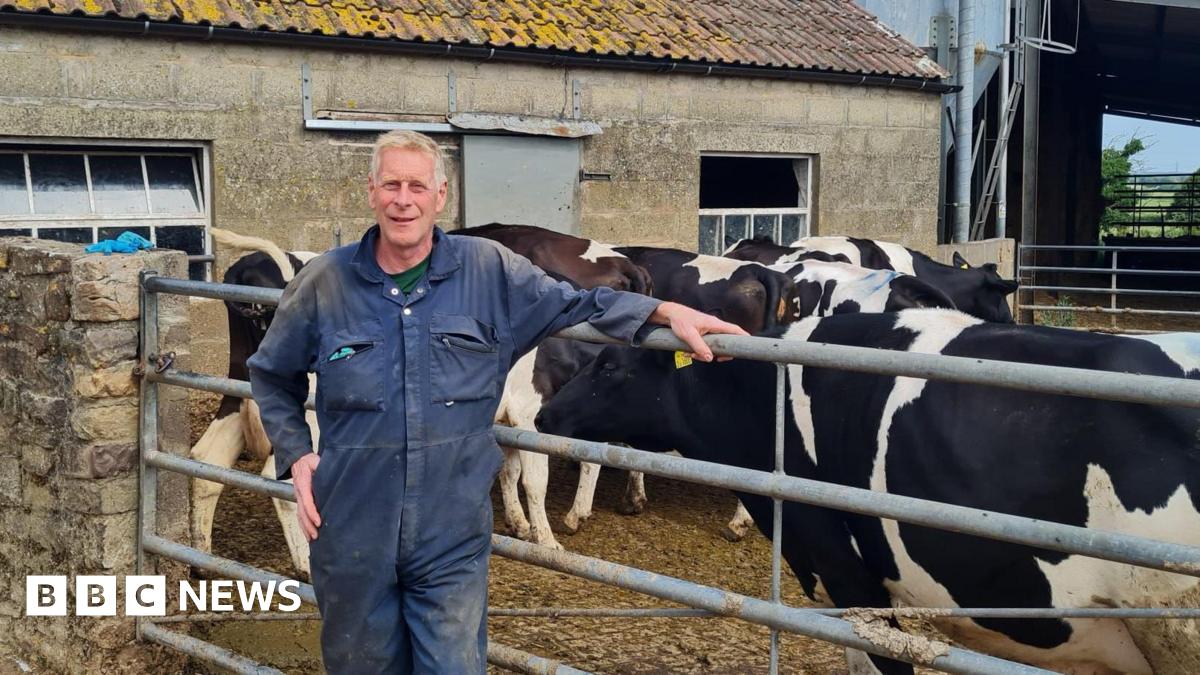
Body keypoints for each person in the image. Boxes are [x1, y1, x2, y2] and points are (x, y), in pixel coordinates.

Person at [247, 130, 747, 674]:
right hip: (351, 526)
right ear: (371, 191)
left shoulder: (489, 269)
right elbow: (272, 374)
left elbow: (580, 303)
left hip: (451, 532)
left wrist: (666, 312)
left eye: (418, 185)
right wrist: (297, 455)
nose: (403, 198)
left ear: (441, 196)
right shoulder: (325, 281)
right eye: (391, 184)